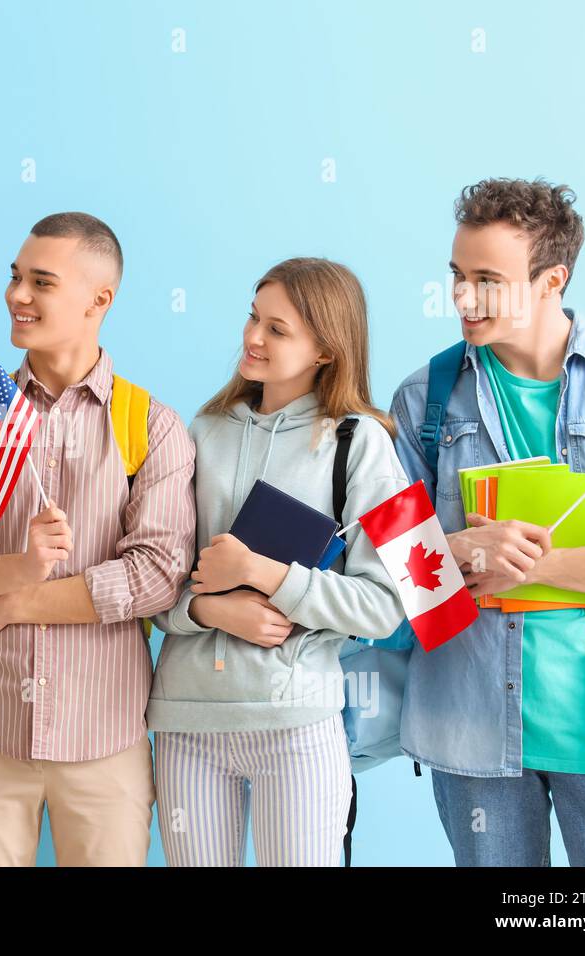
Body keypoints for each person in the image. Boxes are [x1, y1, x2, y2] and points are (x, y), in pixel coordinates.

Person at [390, 178, 585, 866]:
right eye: (457, 276)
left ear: (553, 279)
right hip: (473, 737)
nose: (462, 298)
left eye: (487, 280)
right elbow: (388, 576)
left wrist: (541, 567)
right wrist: (455, 549)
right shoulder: (423, 400)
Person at [0, 211, 197, 866]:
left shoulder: (150, 426)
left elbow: (156, 574)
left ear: (98, 300)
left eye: (41, 281)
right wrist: (16, 569)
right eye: (14, 277)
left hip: (105, 739)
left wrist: (18, 602)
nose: (17, 295)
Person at [148, 257, 407, 866]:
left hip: (297, 725)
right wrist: (209, 610)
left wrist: (267, 576)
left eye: (278, 329)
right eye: (253, 317)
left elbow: (390, 605)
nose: (253, 338)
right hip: (187, 724)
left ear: (325, 349)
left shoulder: (362, 442)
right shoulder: (199, 431)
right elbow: (154, 581)